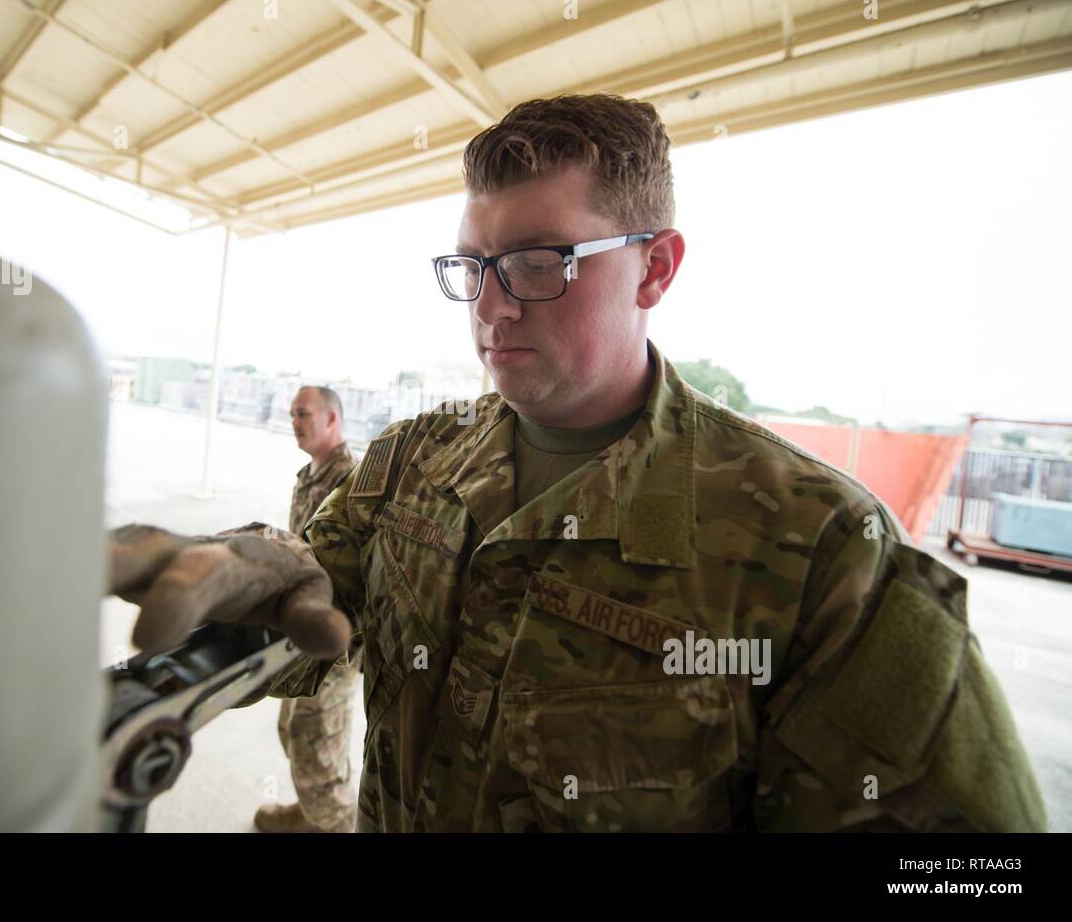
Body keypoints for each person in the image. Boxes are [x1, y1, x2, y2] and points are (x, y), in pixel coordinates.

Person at [109, 94, 1046, 832]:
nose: (493, 306)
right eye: (472, 266)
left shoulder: (822, 550)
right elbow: (324, 603)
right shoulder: (410, 460)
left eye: (538, 261)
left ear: (655, 269)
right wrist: (260, 572)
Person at [253, 386, 359, 833]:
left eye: (304, 413)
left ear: (332, 419)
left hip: (333, 637)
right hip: (302, 632)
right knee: (291, 729)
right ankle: (311, 813)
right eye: (292, 413)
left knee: (316, 744)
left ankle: (334, 821)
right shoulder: (310, 474)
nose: (294, 421)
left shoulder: (350, 479)